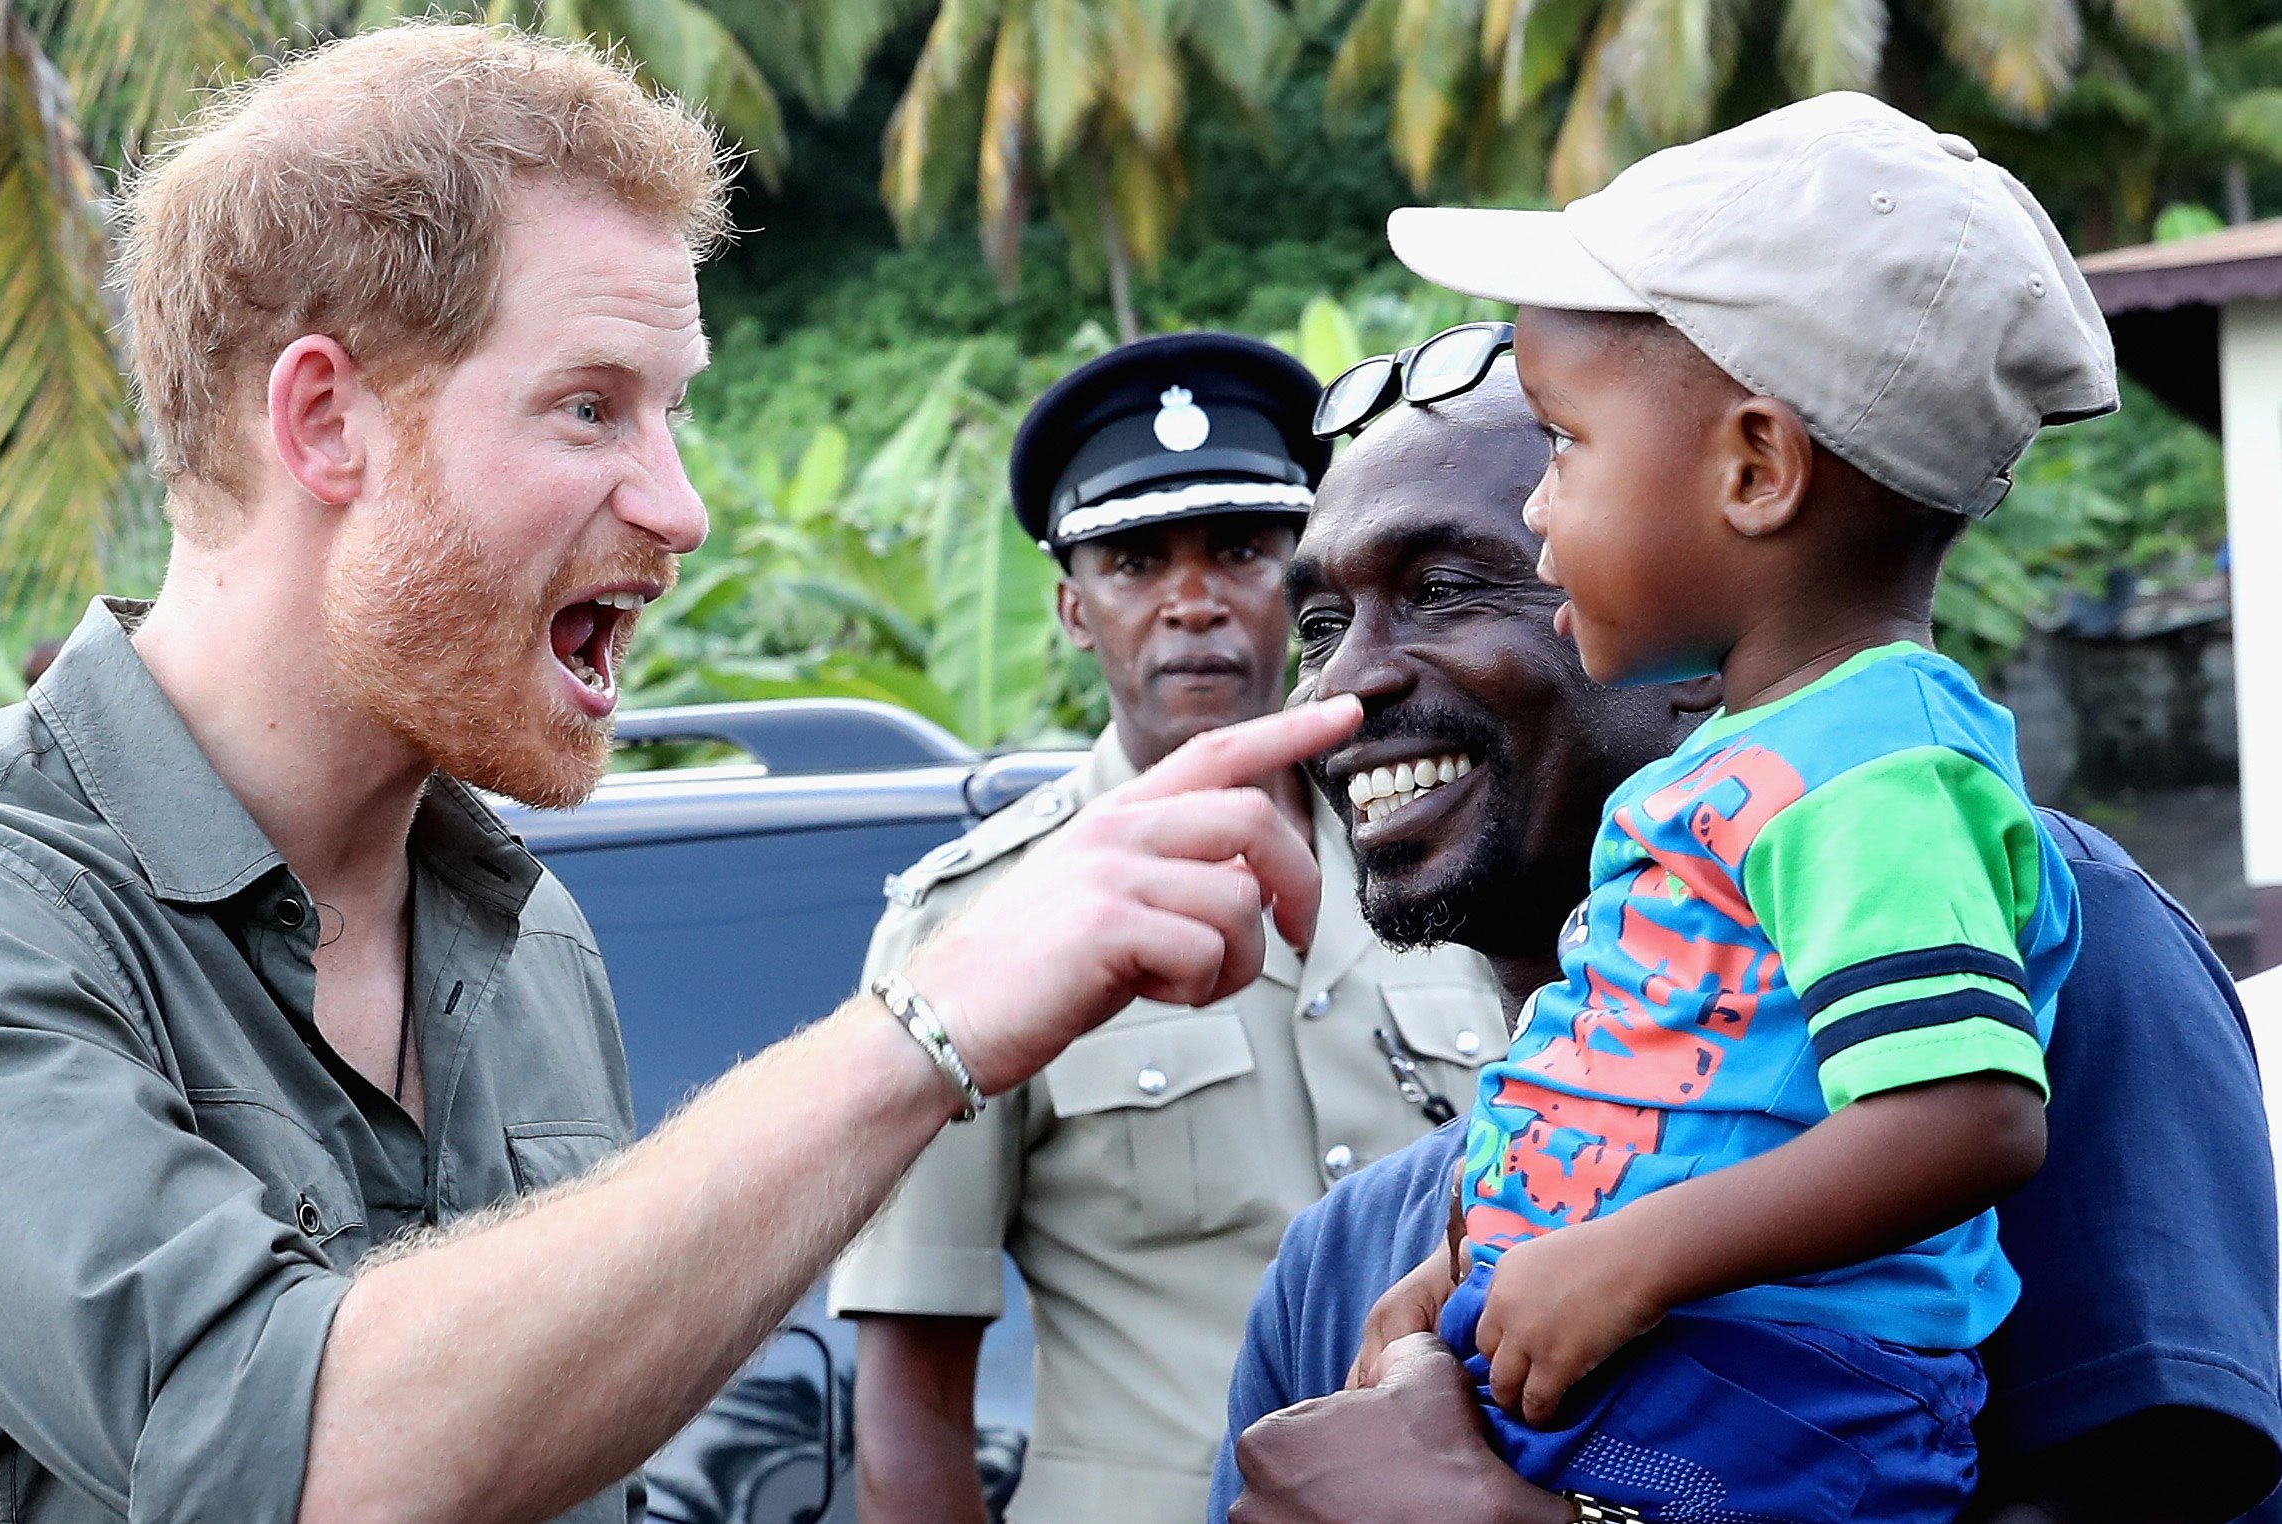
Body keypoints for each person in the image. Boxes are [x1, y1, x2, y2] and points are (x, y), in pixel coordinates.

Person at [0, 26, 1364, 1524]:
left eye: (674, 413)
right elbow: (311, 1457)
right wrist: (922, 1029)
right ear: (325, 423)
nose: (681, 508)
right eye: (592, 407)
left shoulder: (526, 944)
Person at [1208, 358, 2282, 1523]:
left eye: (1448, 589)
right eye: (1318, 627)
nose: (1348, 680)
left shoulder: (2024, 935)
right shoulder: (1344, 1261)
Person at [1244, 94, 2118, 1522]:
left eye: (1563, 444)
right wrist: (1455, 1268)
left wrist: (1627, 1264)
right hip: (1688, 1377)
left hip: (1773, 1410)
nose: (1540, 508)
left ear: (1756, 470)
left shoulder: (1885, 775)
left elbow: (1962, 1121)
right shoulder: (1742, 768)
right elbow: (1647, 1088)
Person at [829, 332, 1505, 1524]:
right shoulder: (979, 919)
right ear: (1071, 608)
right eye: (1136, 561)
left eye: (1241, 550)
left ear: (1304, 577)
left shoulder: (1445, 853)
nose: (1194, 603)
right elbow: (909, 1408)